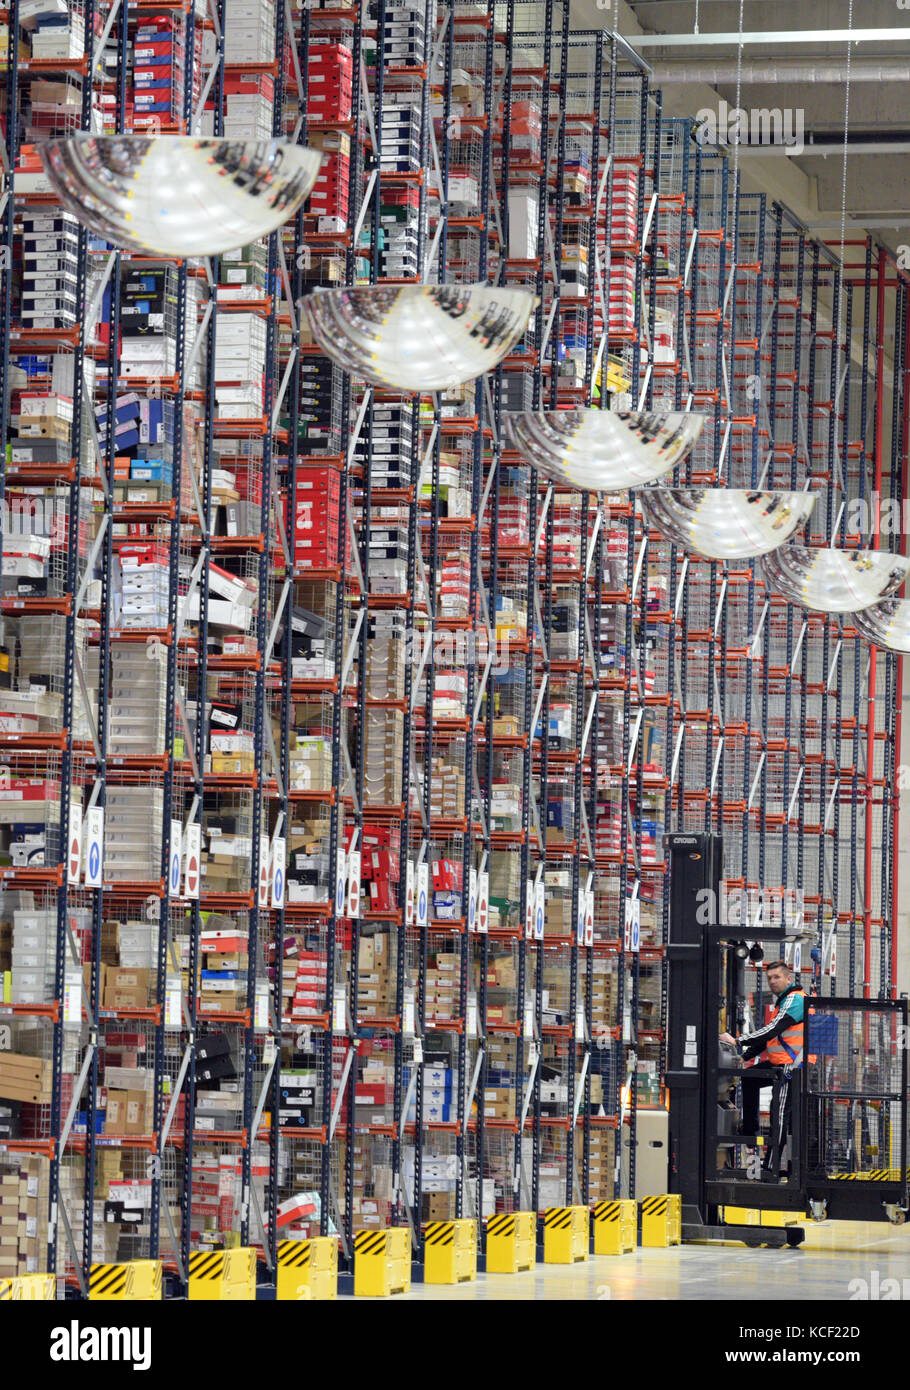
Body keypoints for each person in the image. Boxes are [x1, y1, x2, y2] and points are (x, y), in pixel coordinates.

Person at [719, 959, 805, 1138]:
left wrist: (737, 1041)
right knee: (750, 1079)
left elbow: (772, 1030)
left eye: (777, 977)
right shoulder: (784, 1002)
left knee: (779, 1114)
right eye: (769, 978)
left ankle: (772, 1163)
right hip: (782, 1063)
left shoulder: (795, 1000)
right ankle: (750, 1131)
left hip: (792, 1066)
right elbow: (772, 1037)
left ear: (789, 979)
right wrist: (745, 1056)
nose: (772, 981)